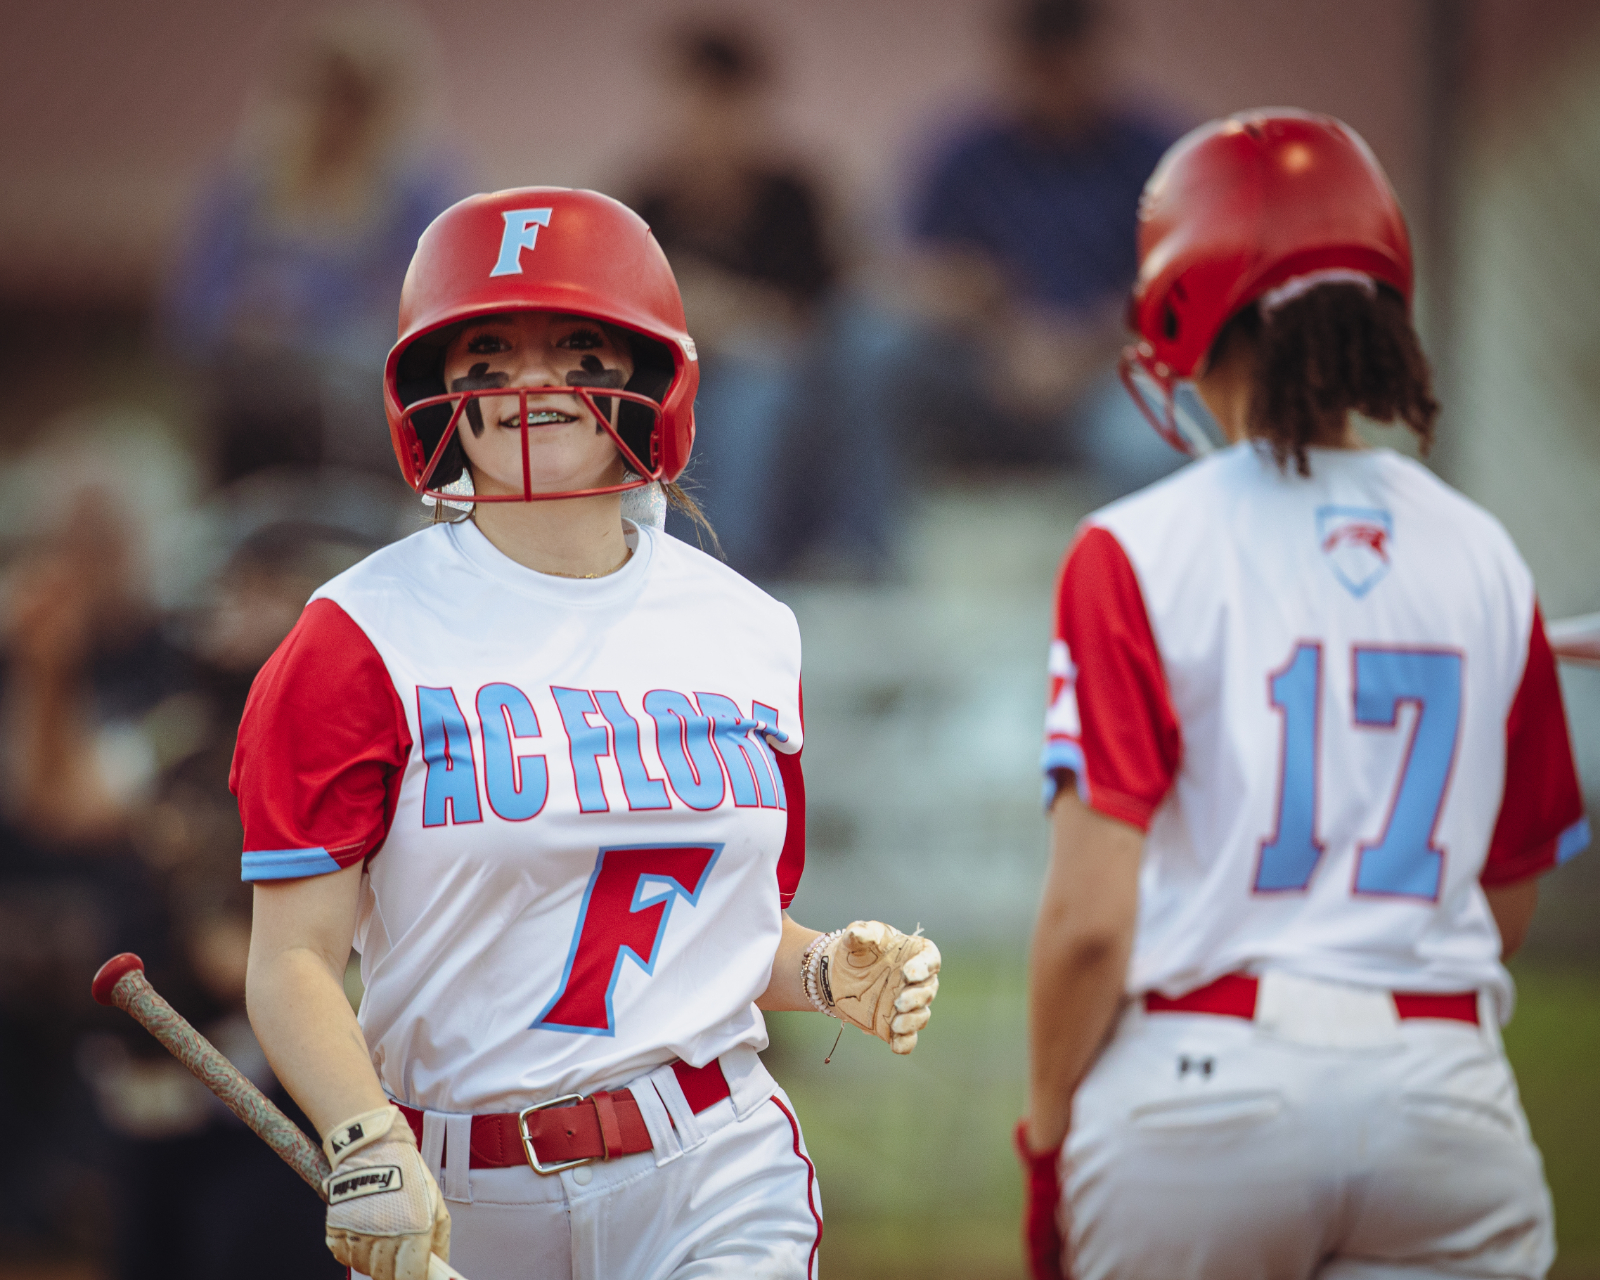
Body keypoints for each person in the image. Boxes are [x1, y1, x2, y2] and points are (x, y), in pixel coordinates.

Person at [235, 187, 942, 1280]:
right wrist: (361, 1135)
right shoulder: (356, 635)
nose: (532, 383)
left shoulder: (748, 628)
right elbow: (291, 957)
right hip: (458, 1184)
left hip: (714, 1161)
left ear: (652, 375)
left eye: (576, 350)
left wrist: (821, 968)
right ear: (436, 396)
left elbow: (712, 935)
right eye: (488, 355)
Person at [1018, 110, 1587, 1280]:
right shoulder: (1482, 549)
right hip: (1445, 1094)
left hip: (1198, 1091)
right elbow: (1504, 897)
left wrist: (1044, 1129)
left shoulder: (1134, 546)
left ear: (1182, 304)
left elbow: (1089, 923)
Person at [886, 0, 1177, 489]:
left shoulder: (1155, 154)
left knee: (1143, 449)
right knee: (876, 346)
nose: (1054, 83)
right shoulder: (965, 152)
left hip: (1111, 370)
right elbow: (914, 272)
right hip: (988, 364)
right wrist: (996, 327)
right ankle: (861, 531)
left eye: (1067, 64)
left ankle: (1123, 541)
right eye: (1040, 66)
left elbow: (1179, 289)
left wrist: (1080, 351)